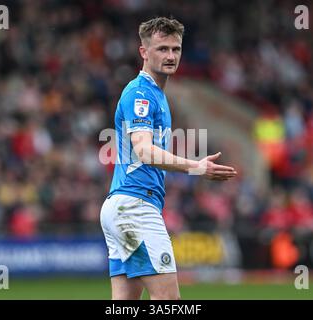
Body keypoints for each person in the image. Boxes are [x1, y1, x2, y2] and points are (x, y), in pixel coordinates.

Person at [100, 17, 237, 300]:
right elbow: (145, 151)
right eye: (162, 49)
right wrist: (195, 167)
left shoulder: (157, 94)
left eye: (176, 49)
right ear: (144, 52)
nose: (171, 56)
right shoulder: (142, 93)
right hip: (135, 207)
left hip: (123, 206)